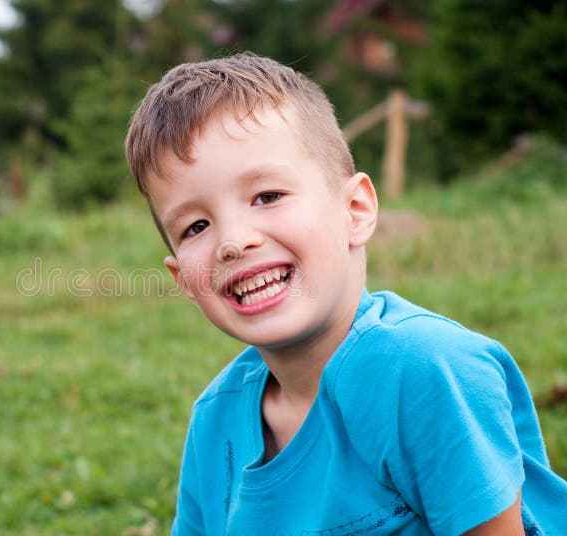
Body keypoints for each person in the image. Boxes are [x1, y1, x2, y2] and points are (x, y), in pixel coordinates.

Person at [124, 52, 567, 535]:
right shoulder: (215, 423)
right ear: (184, 279)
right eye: (196, 226)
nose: (233, 241)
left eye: (267, 196)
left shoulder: (426, 371)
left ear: (354, 209)